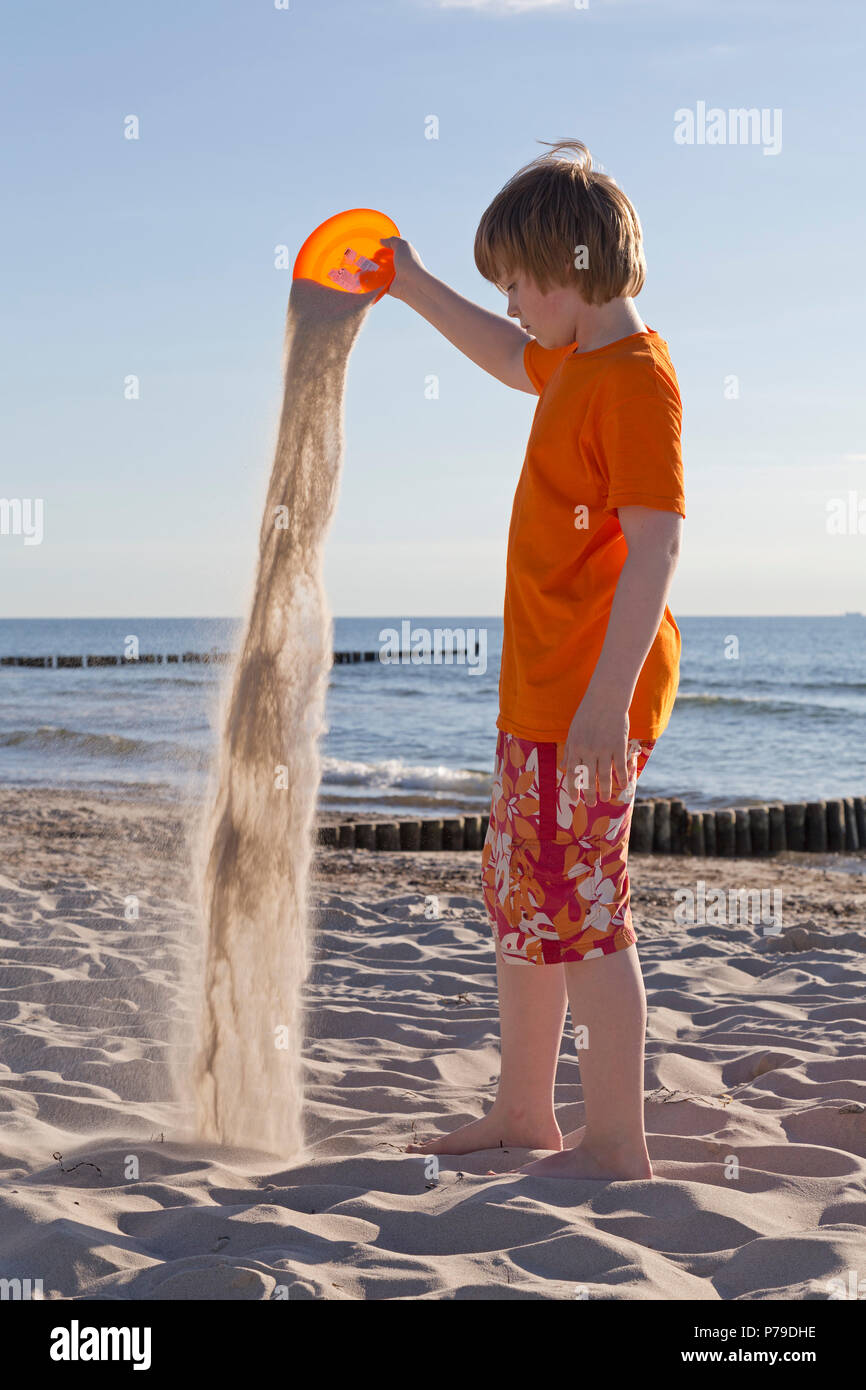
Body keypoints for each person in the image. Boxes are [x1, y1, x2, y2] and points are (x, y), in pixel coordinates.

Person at [386, 140, 685, 1180]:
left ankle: (616, 1139)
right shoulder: (571, 358)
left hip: (588, 702)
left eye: (515, 281)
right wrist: (411, 285)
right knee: (522, 900)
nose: (508, 302)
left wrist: (604, 703)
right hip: (537, 694)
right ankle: (523, 1111)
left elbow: (655, 545)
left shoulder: (636, 382)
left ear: (569, 269)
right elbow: (504, 356)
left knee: (588, 914)